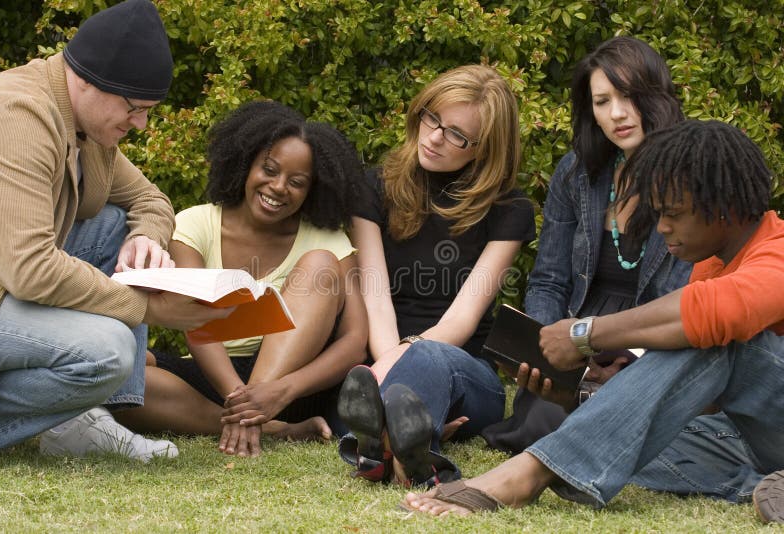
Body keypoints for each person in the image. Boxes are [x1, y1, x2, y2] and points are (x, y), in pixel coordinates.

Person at [402, 119, 784, 525]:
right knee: (626, 440)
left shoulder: (776, 254)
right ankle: (761, 482)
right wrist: (585, 398)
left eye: (673, 214)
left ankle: (529, 474)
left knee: (724, 338)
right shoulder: (713, 263)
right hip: (751, 441)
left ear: (723, 207)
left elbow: (708, 315)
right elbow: (699, 397)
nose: (662, 227)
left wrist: (585, 334)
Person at [0, 0, 232, 461]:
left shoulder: (84, 121)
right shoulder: (18, 114)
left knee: (117, 226)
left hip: (2, 284)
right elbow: (30, 270)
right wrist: (148, 309)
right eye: (135, 108)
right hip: (2, 283)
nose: (139, 124)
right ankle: (67, 415)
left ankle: (87, 417)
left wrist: (146, 239)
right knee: (109, 350)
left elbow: (151, 201)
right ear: (87, 80)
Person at [116, 101, 368, 458]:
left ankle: (260, 414)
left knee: (320, 264)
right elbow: (194, 322)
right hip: (216, 378)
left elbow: (355, 342)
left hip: (291, 387)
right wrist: (242, 400)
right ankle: (274, 430)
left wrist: (280, 390)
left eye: (297, 182)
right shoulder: (195, 224)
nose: (279, 187)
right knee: (123, 380)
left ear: (313, 190)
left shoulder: (328, 242)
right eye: (269, 169)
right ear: (246, 162)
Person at [482, 35, 692, 454]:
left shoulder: (693, 173)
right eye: (602, 101)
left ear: (659, 96)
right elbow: (548, 280)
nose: (617, 113)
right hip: (575, 343)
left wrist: (631, 357)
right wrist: (546, 345)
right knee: (545, 416)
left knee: (600, 417)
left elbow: (687, 299)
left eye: (630, 96)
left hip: (652, 343)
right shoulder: (576, 172)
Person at [336, 65, 536, 486]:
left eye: (456, 135)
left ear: (484, 149)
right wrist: (389, 369)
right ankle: (408, 443)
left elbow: (460, 322)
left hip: (465, 372)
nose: (433, 137)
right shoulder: (374, 187)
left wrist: (392, 364)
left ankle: (378, 443)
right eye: (432, 118)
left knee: (428, 357)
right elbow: (375, 296)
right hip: (379, 359)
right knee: (387, 374)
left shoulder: (509, 210)